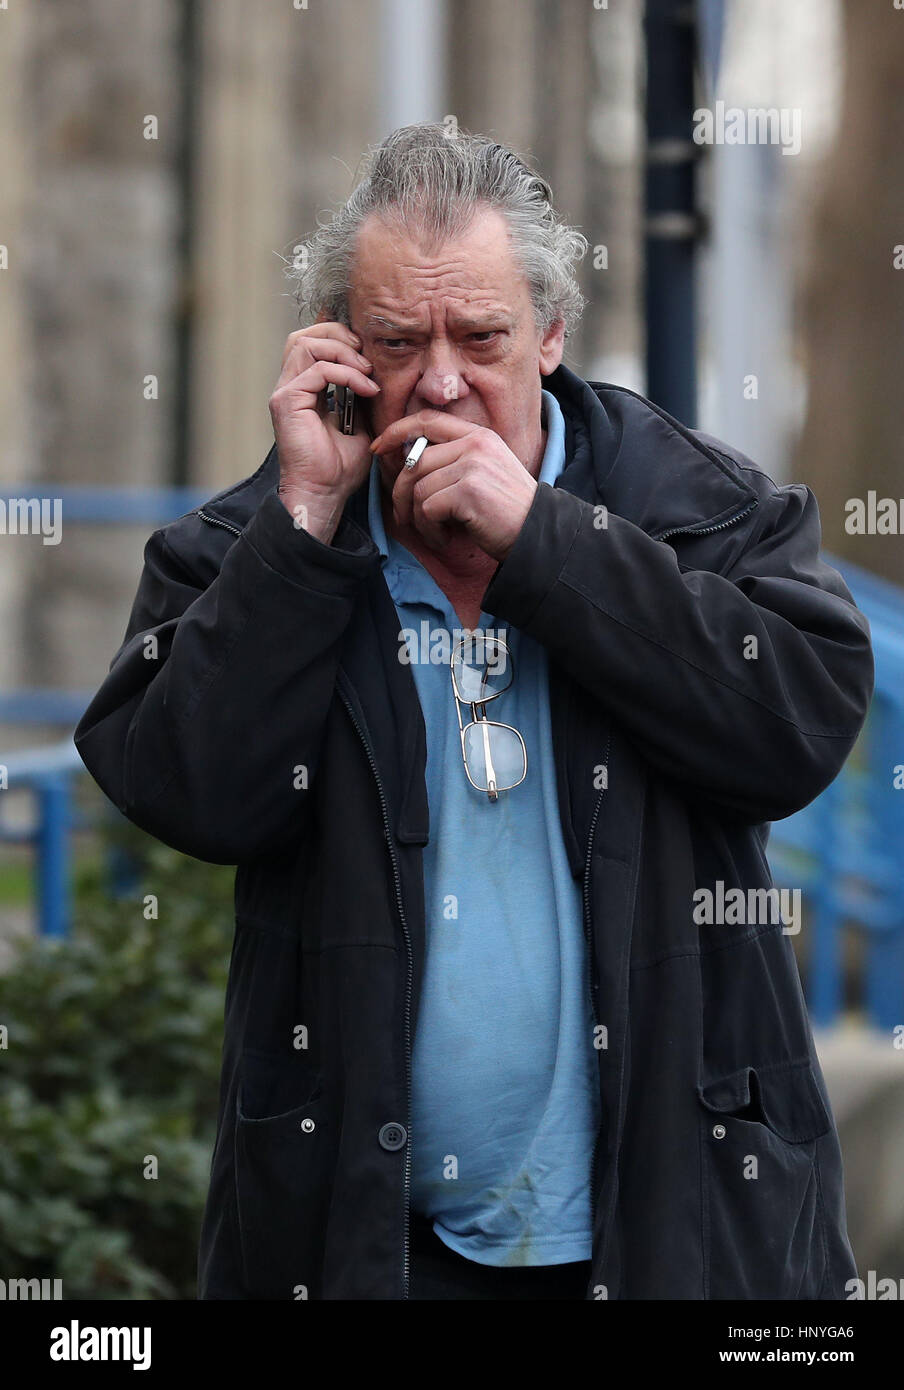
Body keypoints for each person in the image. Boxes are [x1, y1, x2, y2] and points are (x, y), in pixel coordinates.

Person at [75, 122, 874, 1301]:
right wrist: (303, 532)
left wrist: (548, 546)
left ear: (551, 333)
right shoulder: (257, 540)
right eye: (399, 341)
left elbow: (795, 732)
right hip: (365, 1242)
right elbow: (188, 792)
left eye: (482, 337)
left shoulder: (704, 507)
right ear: (341, 348)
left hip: (672, 1228)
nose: (442, 380)